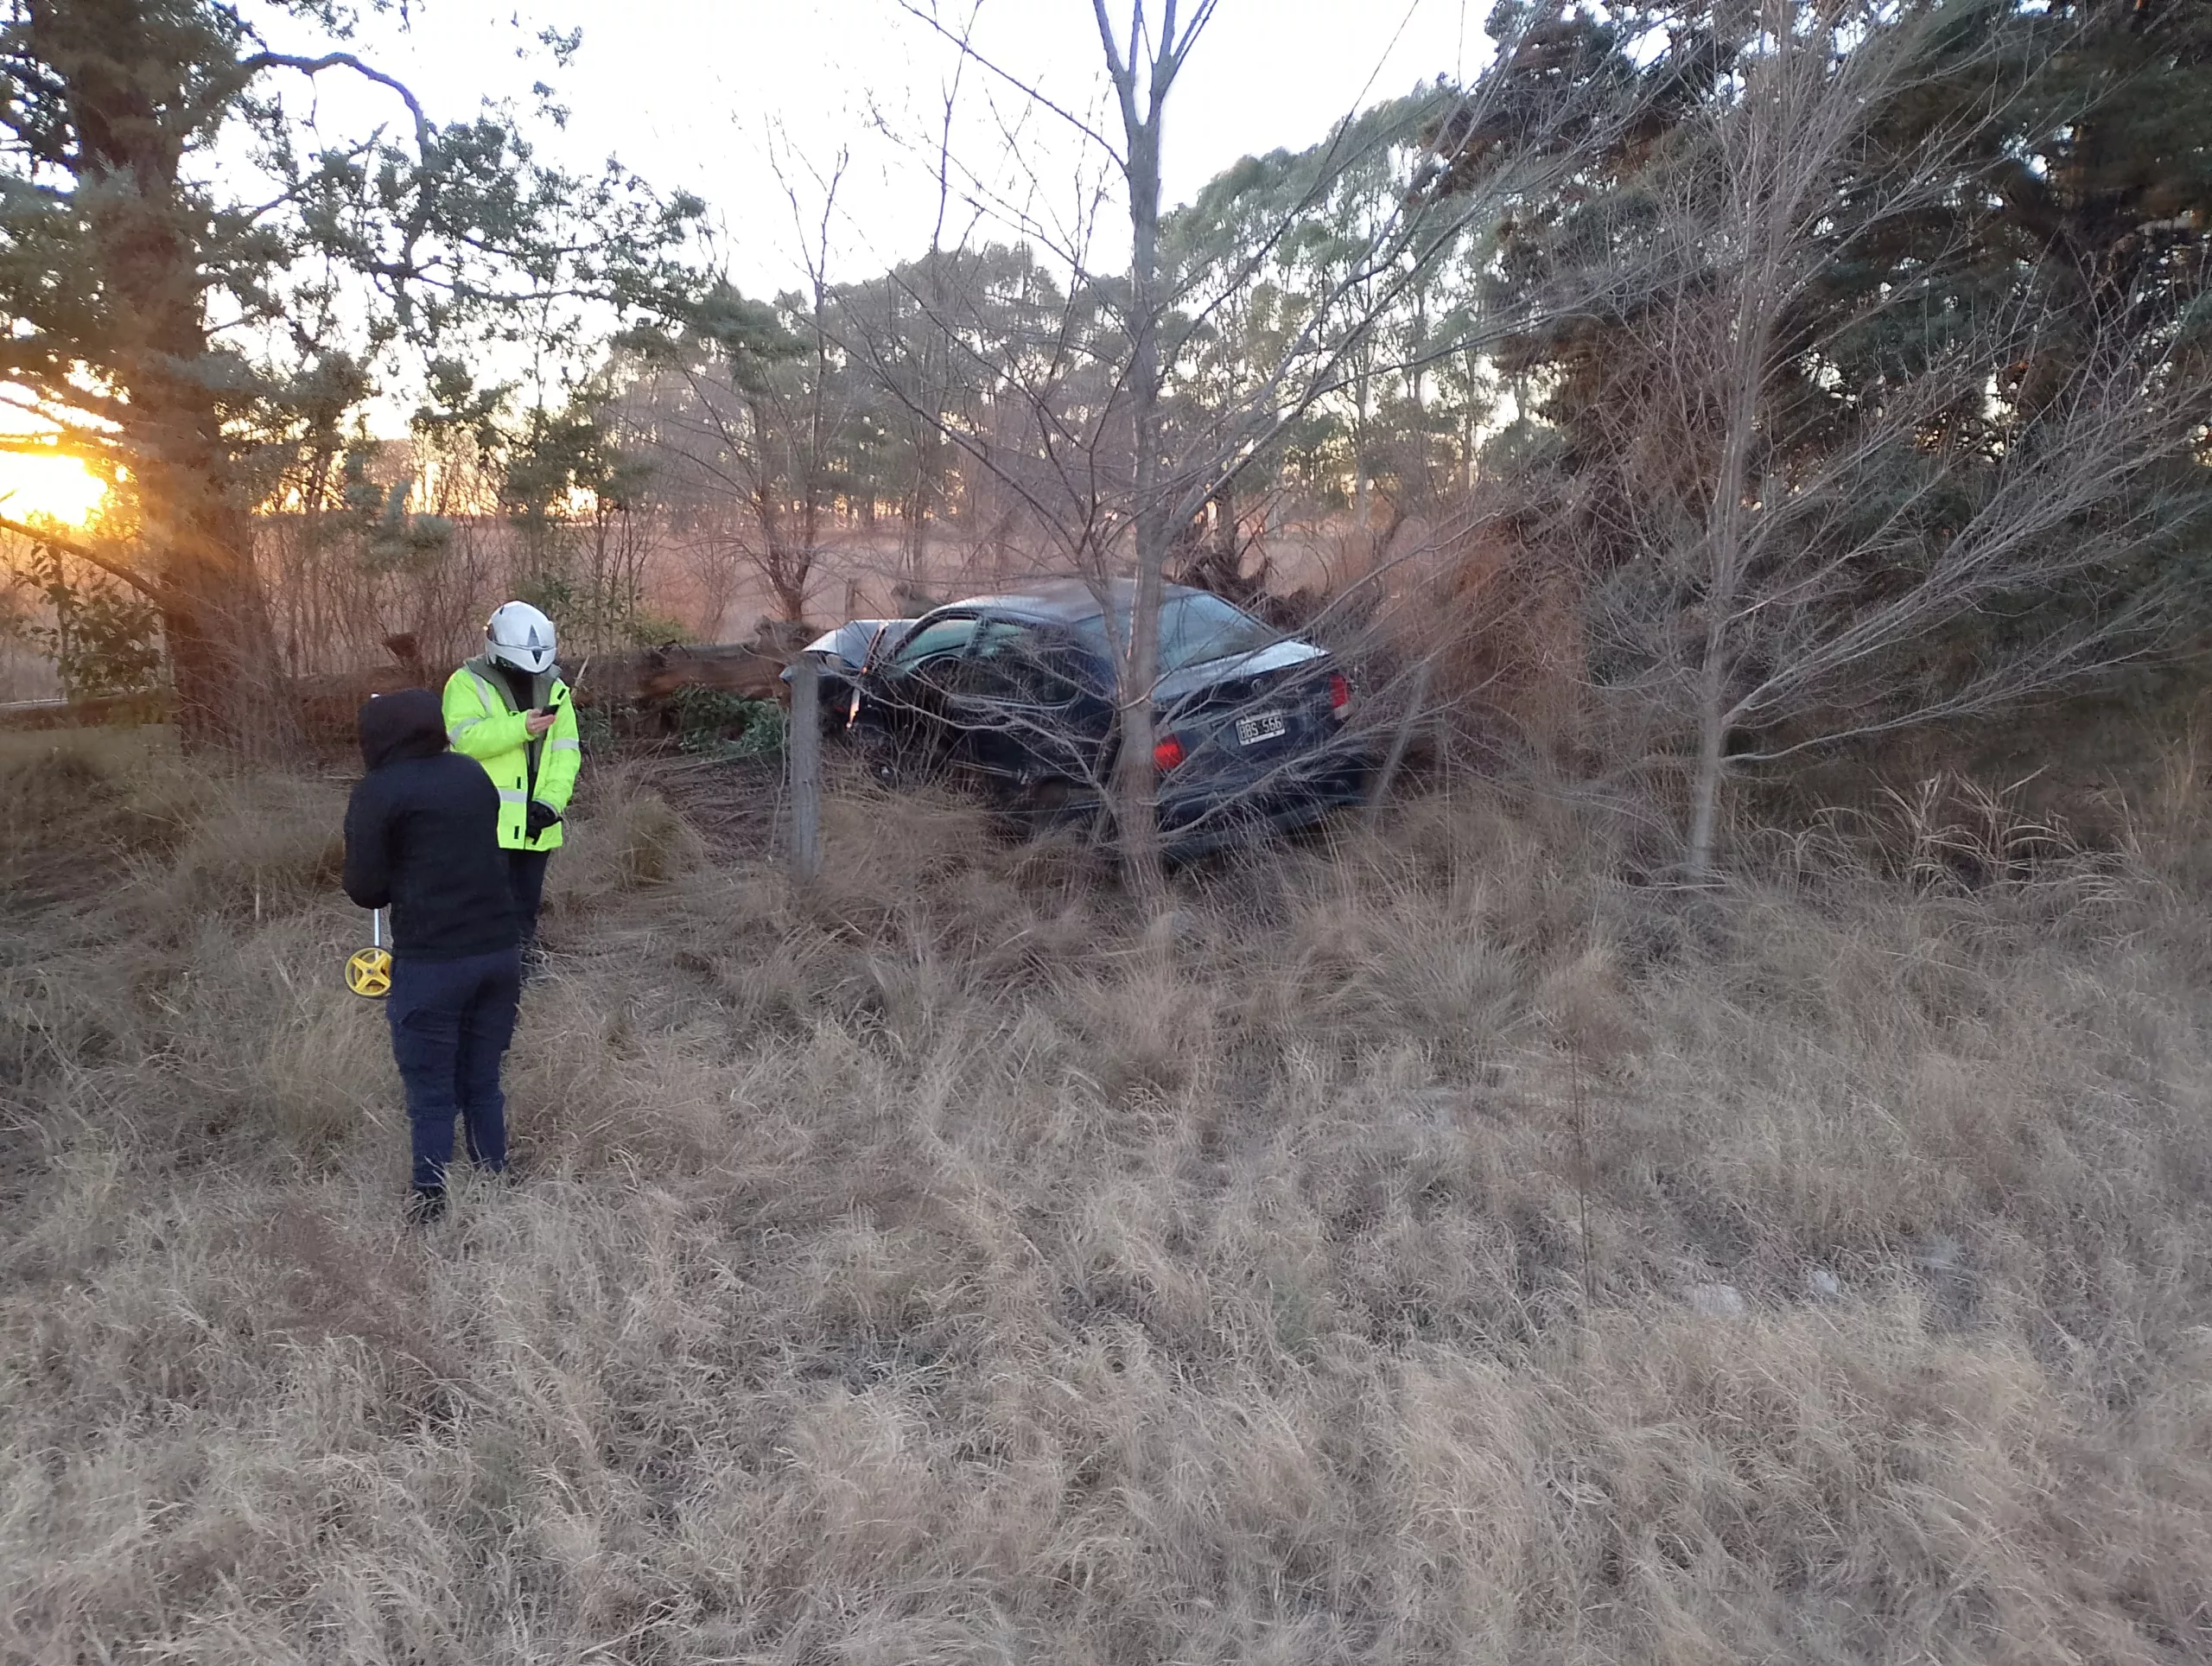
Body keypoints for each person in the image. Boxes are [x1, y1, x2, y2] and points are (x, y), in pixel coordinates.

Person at [343, 688, 523, 1224]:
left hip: (432, 962)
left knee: (430, 1089)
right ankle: (494, 1176)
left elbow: (366, 889)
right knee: (483, 1078)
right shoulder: (471, 774)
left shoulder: (378, 792)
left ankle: (430, 1200)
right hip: (499, 952)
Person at [442, 601, 582, 957]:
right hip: (486, 823)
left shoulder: (555, 688)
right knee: (483, 908)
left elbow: (566, 752)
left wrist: (551, 802)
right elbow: (465, 740)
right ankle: (482, 970)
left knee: (524, 906)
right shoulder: (465, 683)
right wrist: (521, 727)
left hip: (537, 822)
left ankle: (519, 967)